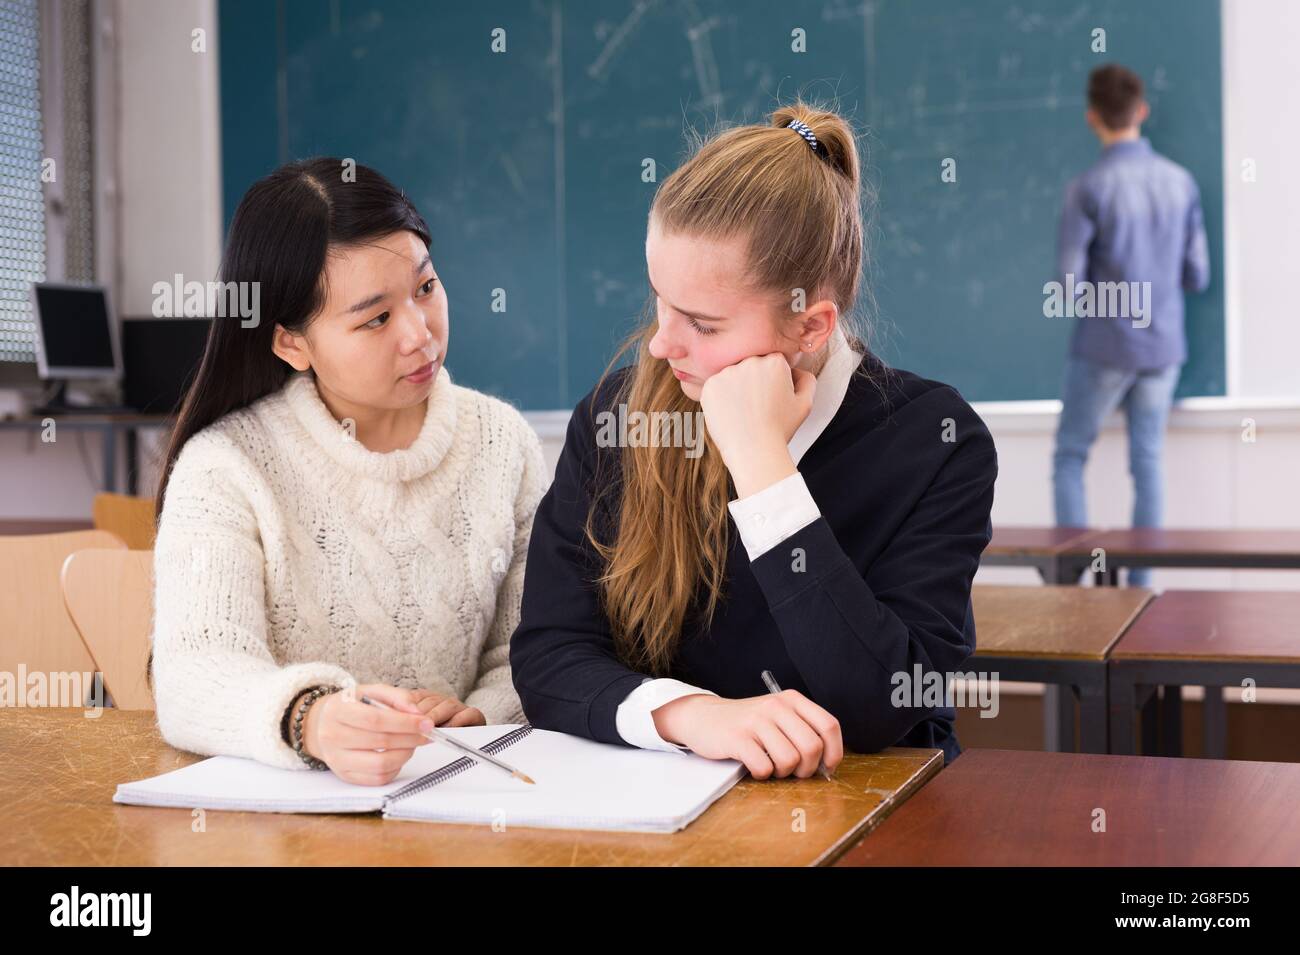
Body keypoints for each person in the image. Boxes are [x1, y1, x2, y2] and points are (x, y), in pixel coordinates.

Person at [510, 103, 998, 778]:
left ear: (811, 326)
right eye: (660, 299)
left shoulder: (937, 442)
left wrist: (764, 468)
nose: (661, 343)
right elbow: (549, 657)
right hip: (675, 809)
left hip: (873, 809)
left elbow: (883, 705)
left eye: (704, 325)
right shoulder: (619, 415)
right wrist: (696, 716)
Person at [150, 158, 545, 785]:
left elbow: (536, 645)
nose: (420, 335)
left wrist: (482, 714)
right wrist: (311, 719)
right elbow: (193, 673)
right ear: (291, 343)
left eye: (425, 288)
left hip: (463, 799)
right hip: (287, 824)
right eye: (375, 318)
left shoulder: (503, 444)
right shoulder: (227, 466)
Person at [1053, 64, 1211, 584]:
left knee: (1072, 455)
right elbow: (1197, 274)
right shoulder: (1181, 183)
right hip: (1163, 348)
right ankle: (1141, 591)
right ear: (1141, 111)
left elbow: (1070, 285)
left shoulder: (1087, 188)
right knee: (1147, 460)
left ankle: (1075, 584)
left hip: (1104, 347)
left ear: (1092, 117)